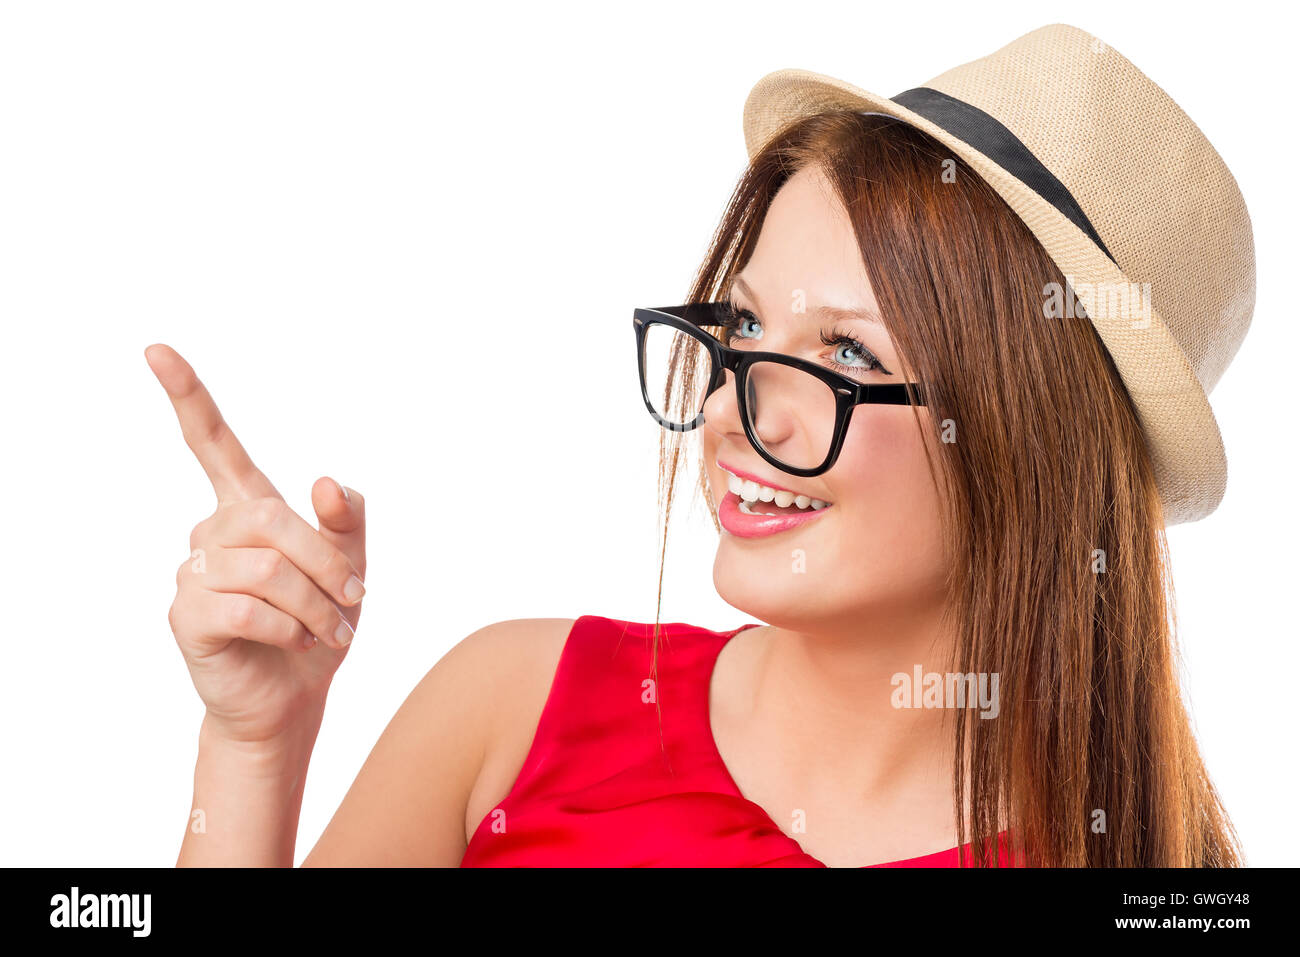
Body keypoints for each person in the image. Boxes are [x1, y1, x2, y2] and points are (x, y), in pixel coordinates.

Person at [154, 24, 1251, 867]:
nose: (739, 410)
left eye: (848, 358)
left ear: (1030, 448)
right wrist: (256, 745)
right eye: (739, 329)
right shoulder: (510, 703)